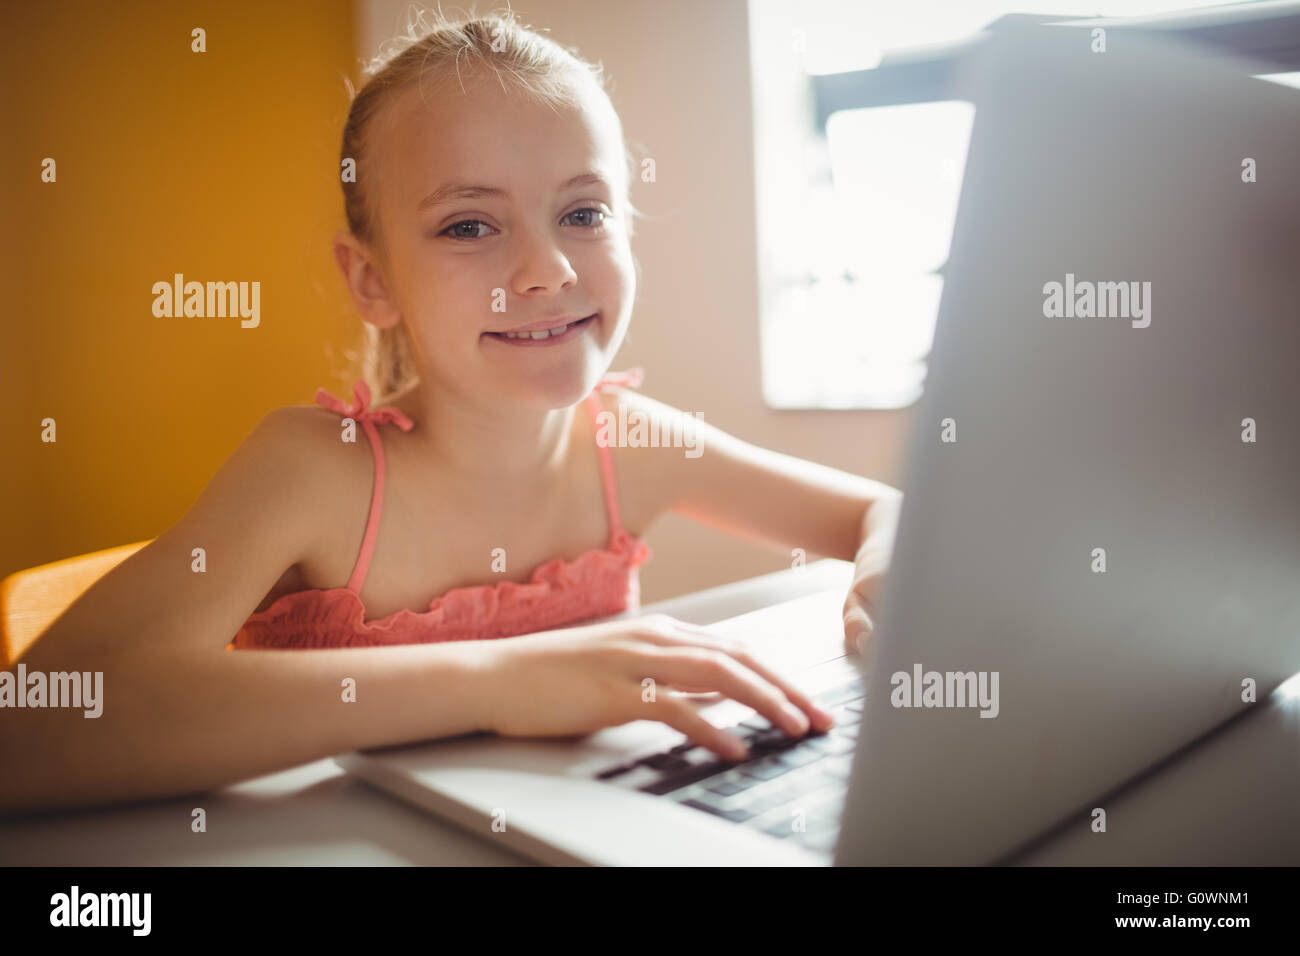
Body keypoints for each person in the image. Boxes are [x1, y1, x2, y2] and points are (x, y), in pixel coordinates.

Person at [2, 8, 901, 816]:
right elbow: (37, 726)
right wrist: (500, 680)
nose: (547, 269)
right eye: (469, 225)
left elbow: (885, 508)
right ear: (371, 278)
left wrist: (887, 567)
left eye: (584, 211)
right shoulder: (316, 469)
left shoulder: (631, 440)